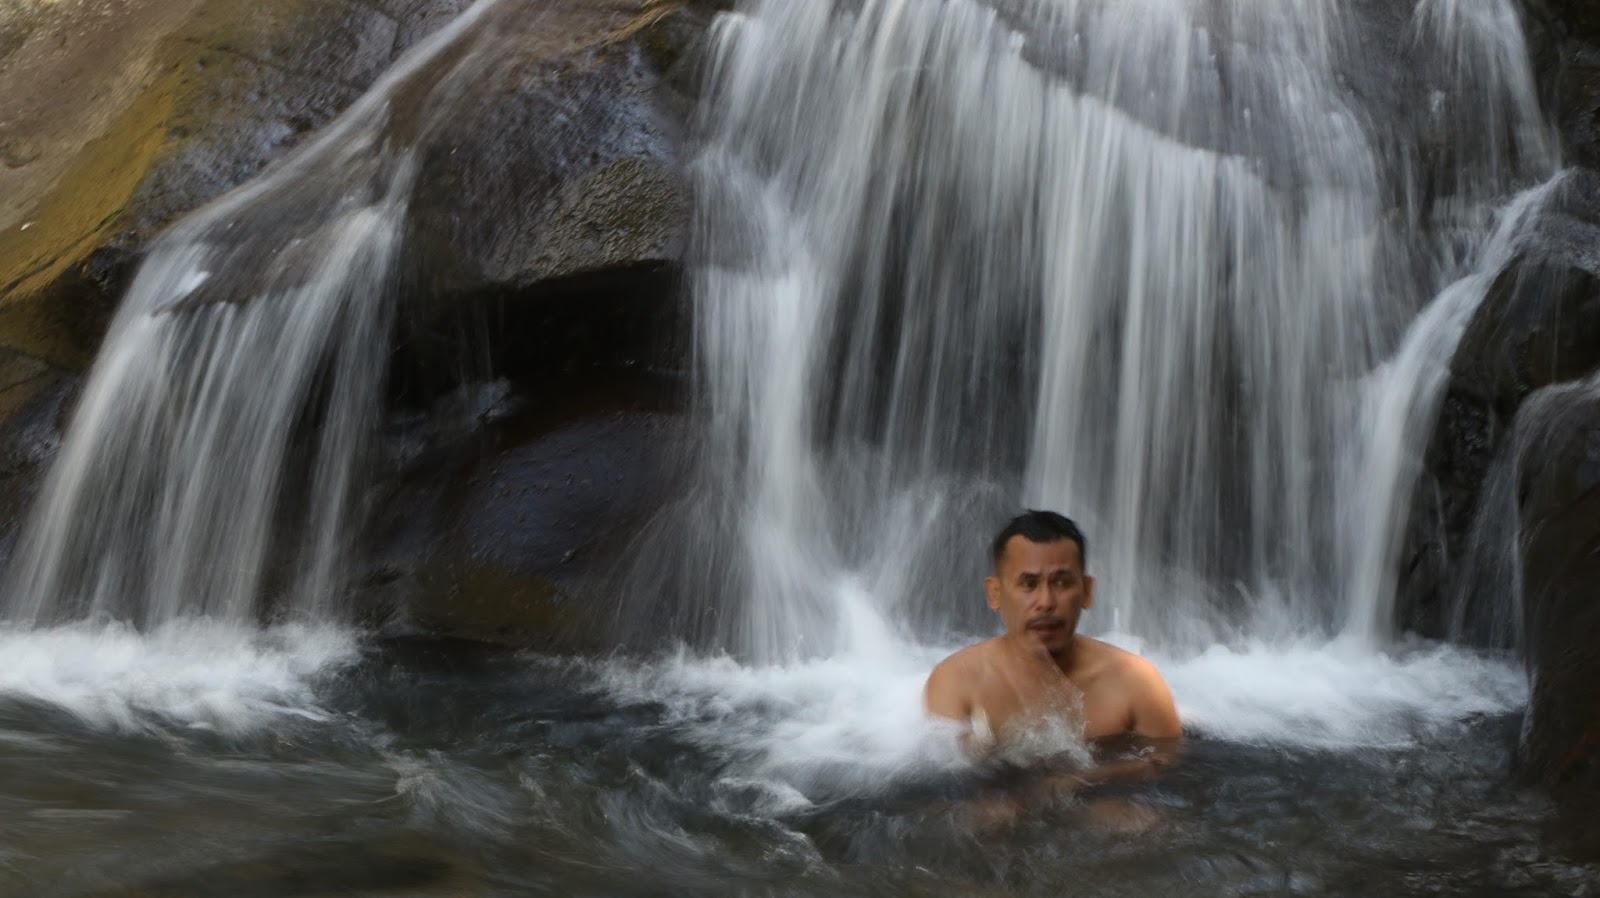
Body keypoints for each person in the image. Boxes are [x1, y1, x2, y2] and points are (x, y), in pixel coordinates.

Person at [924, 510, 1181, 786]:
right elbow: (944, 783)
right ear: (994, 593)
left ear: (1086, 591)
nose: (1046, 602)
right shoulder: (957, 682)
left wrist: (1081, 781)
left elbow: (1170, 768)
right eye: (1029, 584)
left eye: (1061, 583)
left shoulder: (1135, 683)